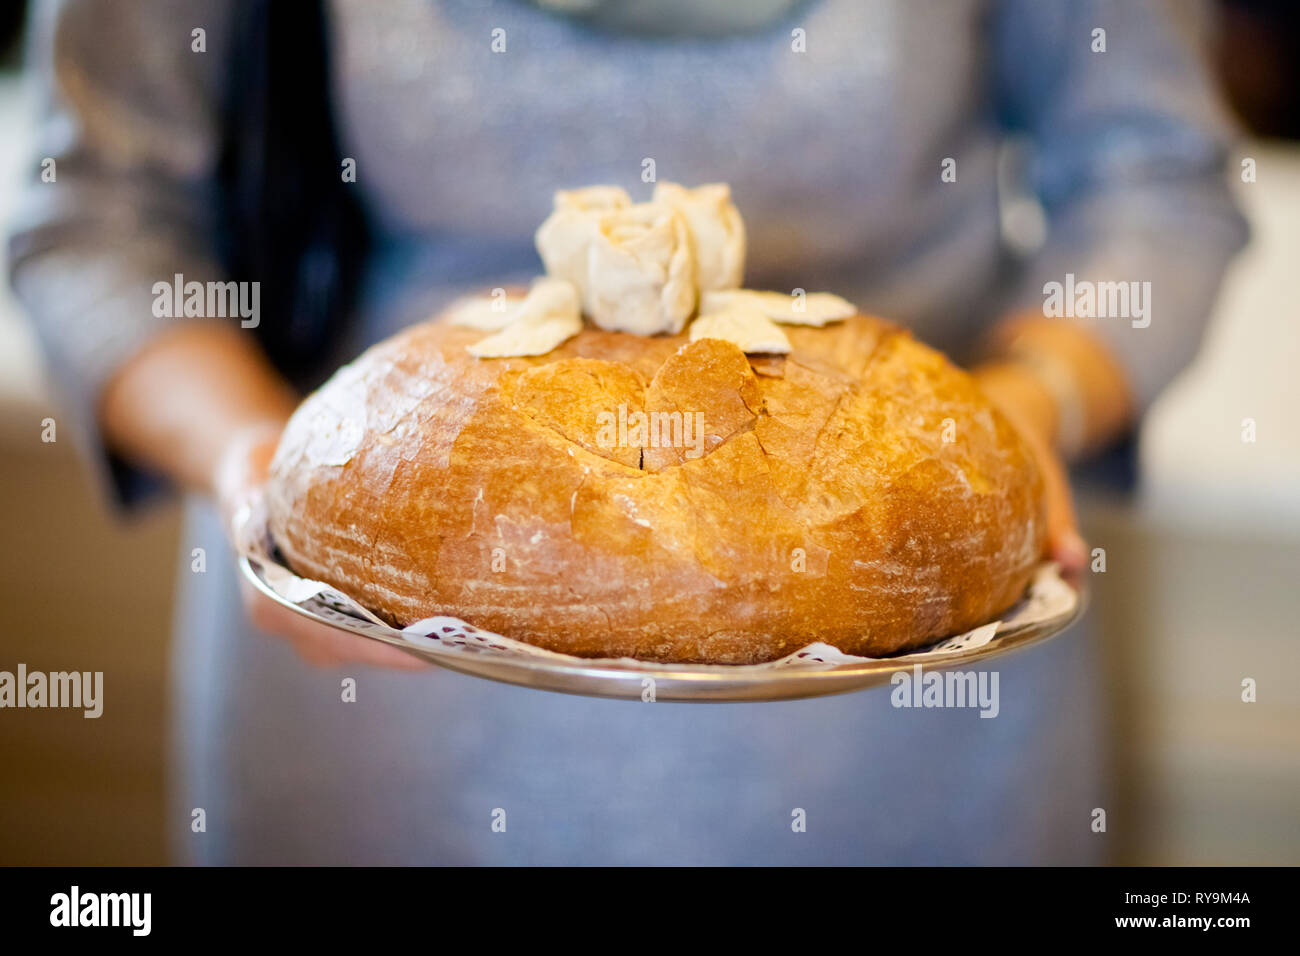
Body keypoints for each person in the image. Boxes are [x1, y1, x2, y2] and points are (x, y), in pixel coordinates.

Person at [9, 0, 1247, 864]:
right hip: (379, 702)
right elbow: (92, 215)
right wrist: (252, 458)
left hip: (905, 689)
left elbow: (1155, 175)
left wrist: (1031, 399)